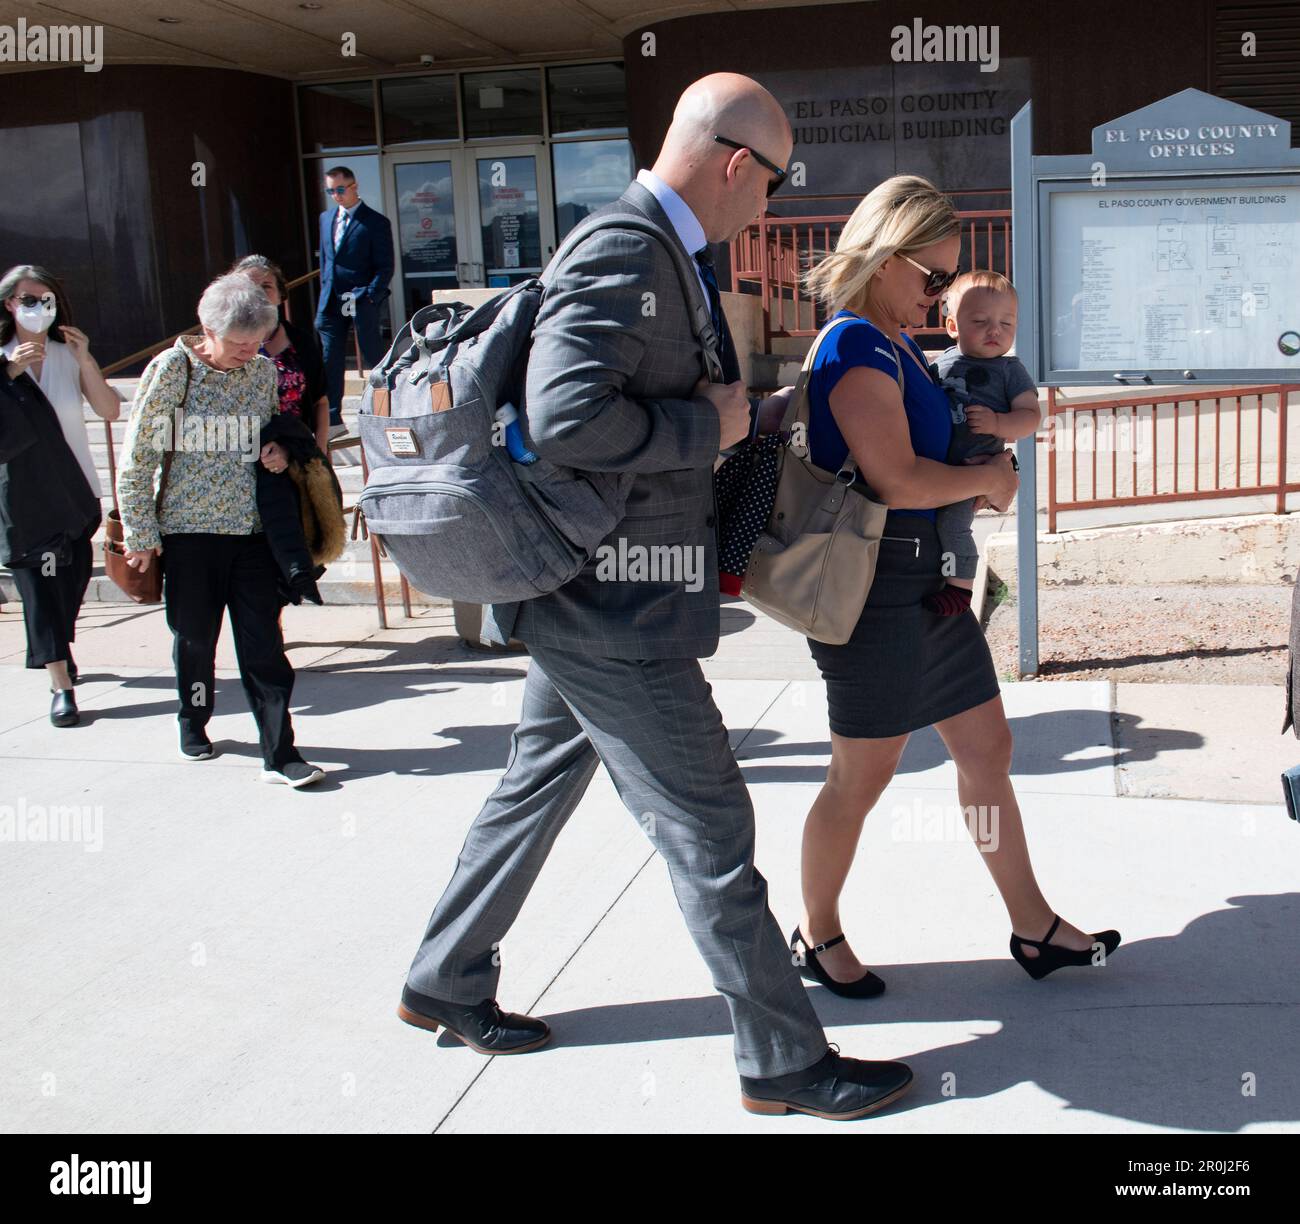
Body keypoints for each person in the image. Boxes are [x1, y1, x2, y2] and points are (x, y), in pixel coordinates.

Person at [398, 74, 914, 1122]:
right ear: (736, 164)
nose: (764, 208)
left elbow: (641, 401)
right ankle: (781, 1062)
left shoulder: (655, 248)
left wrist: (753, 414)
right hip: (613, 606)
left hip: (598, 596)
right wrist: (708, 430)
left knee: (533, 788)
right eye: (769, 187)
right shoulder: (627, 246)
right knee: (710, 829)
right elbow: (566, 417)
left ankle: (444, 979)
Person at [791, 175, 1119, 996]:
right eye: (930, 277)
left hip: (931, 588)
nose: (939, 295)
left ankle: (1032, 926)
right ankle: (817, 932)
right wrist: (988, 481)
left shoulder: (901, 348)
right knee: (861, 778)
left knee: (987, 750)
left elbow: (964, 467)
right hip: (873, 595)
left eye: (947, 280)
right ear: (882, 256)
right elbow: (898, 479)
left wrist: (992, 475)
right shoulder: (852, 346)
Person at [115, 273, 325, 788]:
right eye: (238, 343)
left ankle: (280, 753)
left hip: (253, 534)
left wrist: (278, 452)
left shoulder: (259, 372)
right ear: (208, 328)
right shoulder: (173, 370)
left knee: (264, 649)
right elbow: (139, 453)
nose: (248, 352)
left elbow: (272, 427)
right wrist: (141, 531)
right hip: (189, 535)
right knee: (195, 640)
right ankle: (194, 719)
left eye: (256, 342)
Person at [0, 264, 121, 724]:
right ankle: (60, 683)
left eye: (45, 299)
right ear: (10, 304)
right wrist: (10, 372)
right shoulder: (1, 358)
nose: (38, 308)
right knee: (40, 591)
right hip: (25, 497)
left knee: (68, 588)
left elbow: (109, 410)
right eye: (28, 300)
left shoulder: (68, 355)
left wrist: (87, 358)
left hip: (77, 491)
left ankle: (59, 648)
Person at [927, 270, 1043, 615]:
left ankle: (960, 589)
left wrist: (998, 422)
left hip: (976, 467)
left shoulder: (1010, 370)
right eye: (980, 321)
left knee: (953, 525)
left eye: (1006, 324)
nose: (995, 331)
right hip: (939, 466)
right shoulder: (941, 363)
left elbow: (1030, 415)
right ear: (953, 326)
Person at [315, 167, 393, 435]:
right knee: (330, 358)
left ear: (354, 186)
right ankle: (334, 420)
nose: (335, 195)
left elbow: (385, 266)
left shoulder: (375, 222)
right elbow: (327, 260)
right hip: (331, 301)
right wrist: (324, 294)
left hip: (360, 298)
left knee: (373, 355)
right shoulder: (326, 219)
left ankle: (389, 409)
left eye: (340, 189)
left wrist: (370, 295)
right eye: (330, 191)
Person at [231, 255, 330, 454]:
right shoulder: (224, 345)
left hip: (295, 451)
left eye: (266, 286)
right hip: (241, 457)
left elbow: (321, 401)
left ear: (280, 295)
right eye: (250, 286)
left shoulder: (301, 341)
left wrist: (320, 449)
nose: (258, 293)